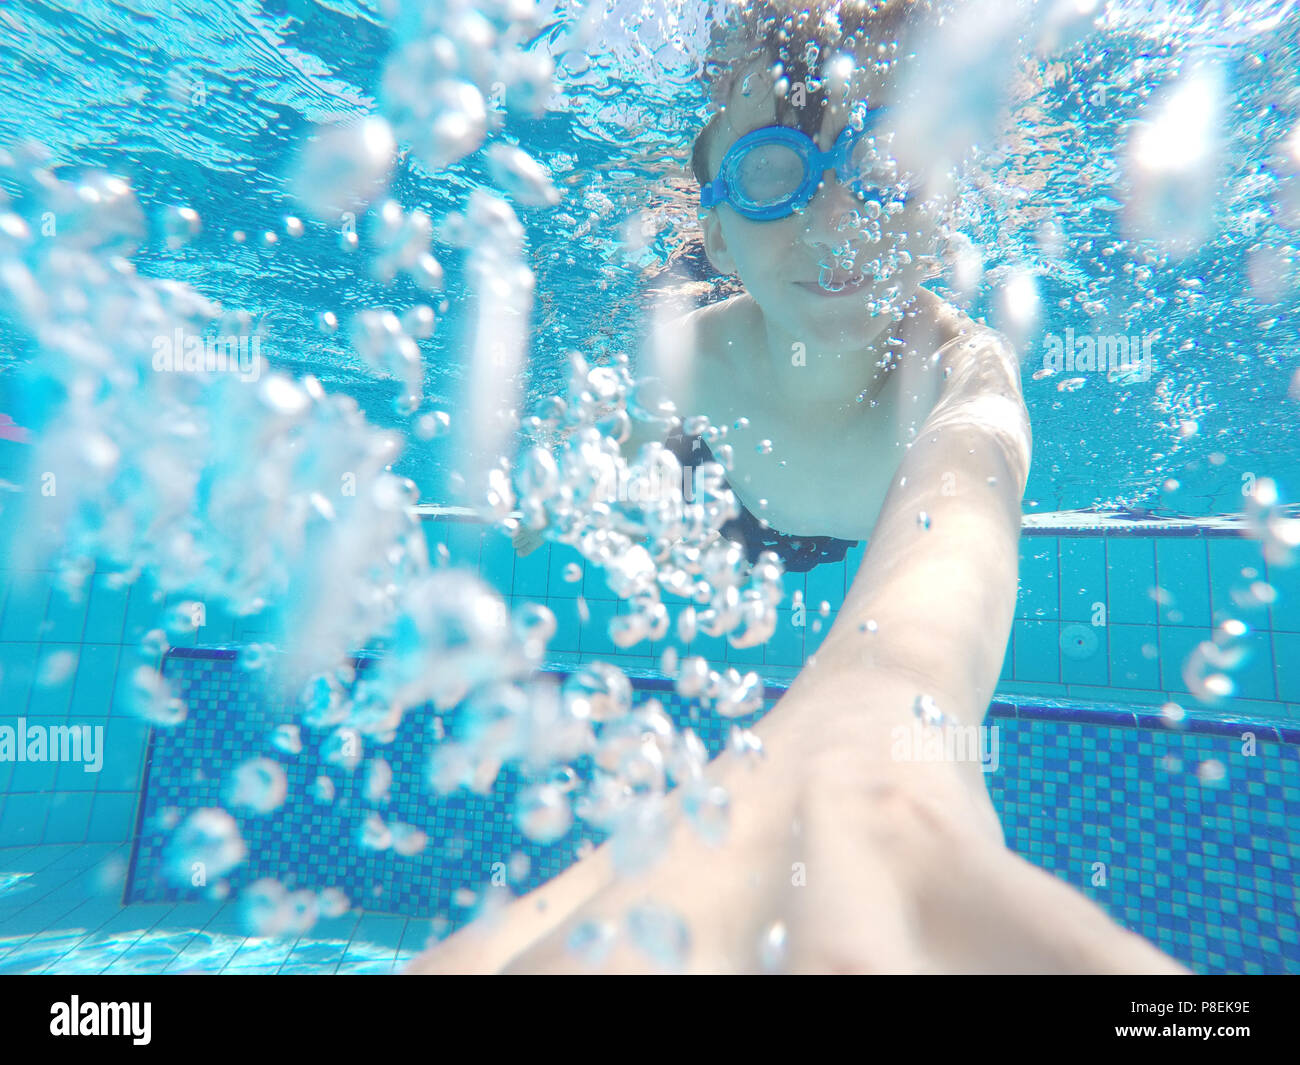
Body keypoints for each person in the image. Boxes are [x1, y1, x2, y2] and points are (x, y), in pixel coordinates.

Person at [428, 0, 1184, 972]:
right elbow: (538, 501)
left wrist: (879, 718)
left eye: (889, 168)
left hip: (853, 529)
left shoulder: (961, 371)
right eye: (777, 170)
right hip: (723, 507)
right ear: (711, 210)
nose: (838, 224)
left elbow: (961, 516)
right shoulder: (681, 357)